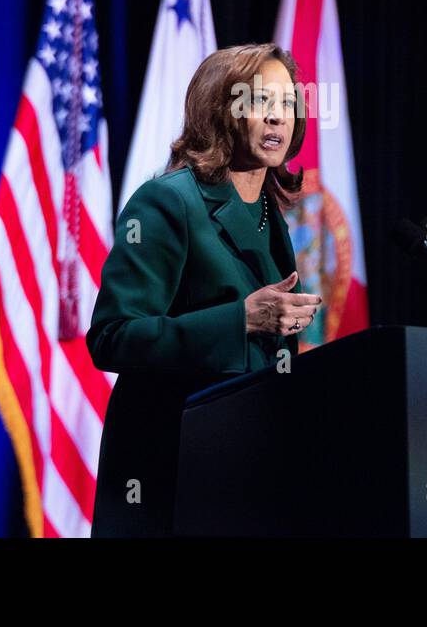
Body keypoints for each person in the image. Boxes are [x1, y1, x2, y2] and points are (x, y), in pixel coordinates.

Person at [86, 42, 323, 537]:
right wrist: (240, 321)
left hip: (246, 478)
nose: (278, 118)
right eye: (260, 102)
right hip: (170, 478)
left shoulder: (273, 219)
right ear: (219, 109)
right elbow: (112, 336)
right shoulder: (168, 203)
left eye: (288, 104)